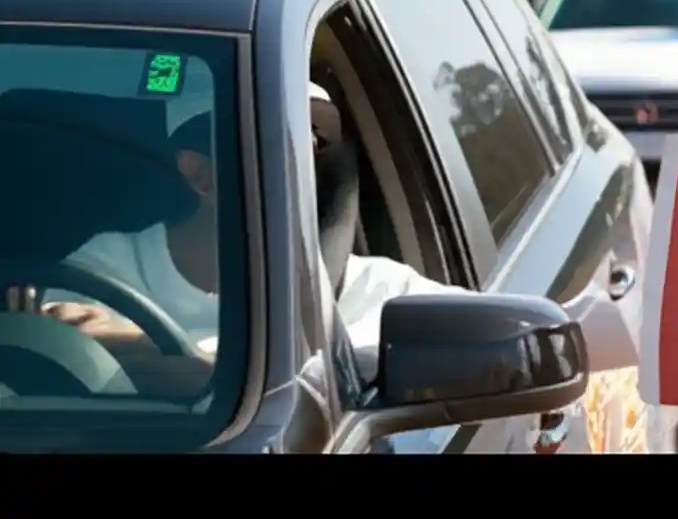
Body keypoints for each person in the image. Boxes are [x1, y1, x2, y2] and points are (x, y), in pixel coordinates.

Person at [42, 81, 468, 394]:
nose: (304, 170)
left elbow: (498, 348)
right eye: (271, 148)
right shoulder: (105, 271)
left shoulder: (376, 289)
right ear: (199, 174)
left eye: (315, 149)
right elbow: (53, 369)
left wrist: (177, 365)